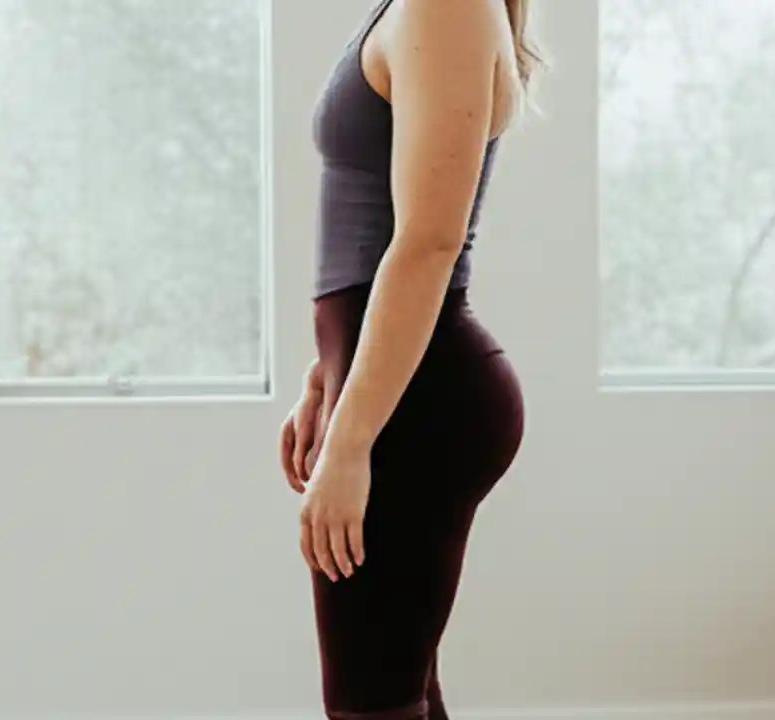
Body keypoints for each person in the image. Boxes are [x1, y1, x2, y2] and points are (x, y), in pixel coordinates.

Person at [278, 1, 541, 717]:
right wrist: (326, 374)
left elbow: (428, 242)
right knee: (397, 694)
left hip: (419, 404)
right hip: (400, 386)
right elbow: (375, 232)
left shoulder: (447, 6)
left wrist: (354, 439)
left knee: (373, 705)